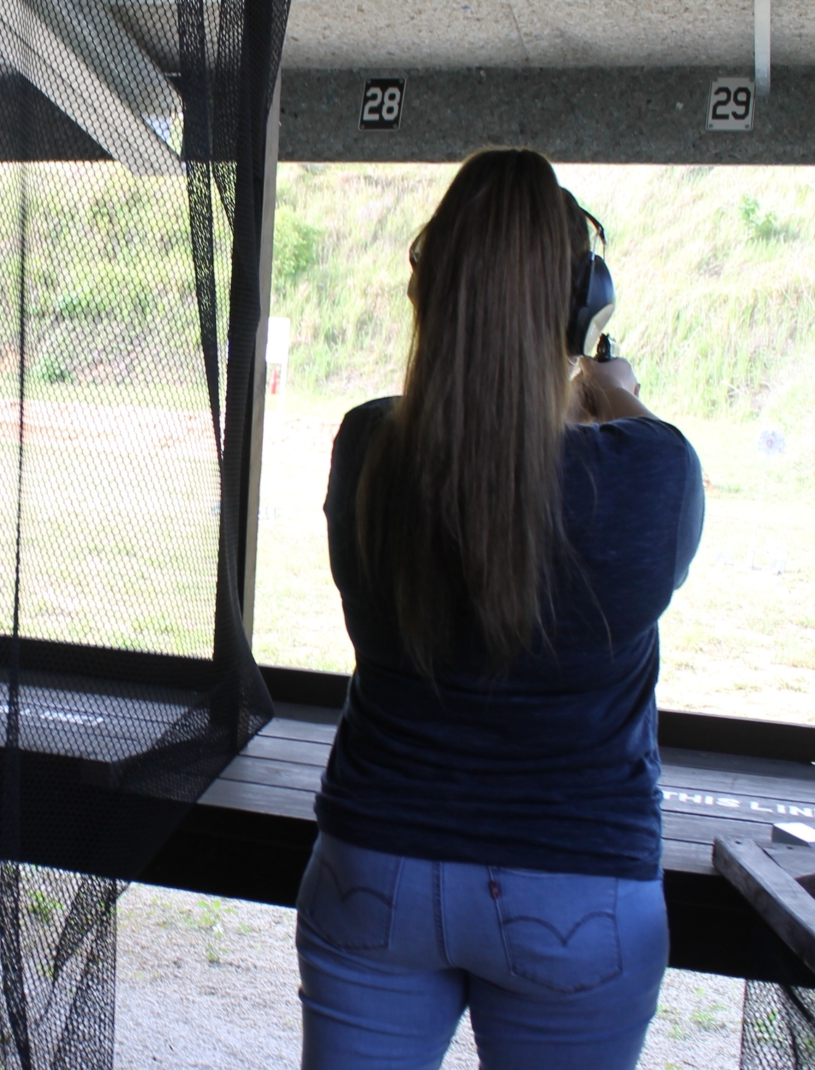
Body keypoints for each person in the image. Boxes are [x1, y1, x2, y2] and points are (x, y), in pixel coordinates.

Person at [299, 148, 704, 1069]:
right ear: (579, 308)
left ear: (428, 293)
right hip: (579, 887)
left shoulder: (367, 448)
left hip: (378, 865)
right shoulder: (655, 470)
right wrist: (616, 395)